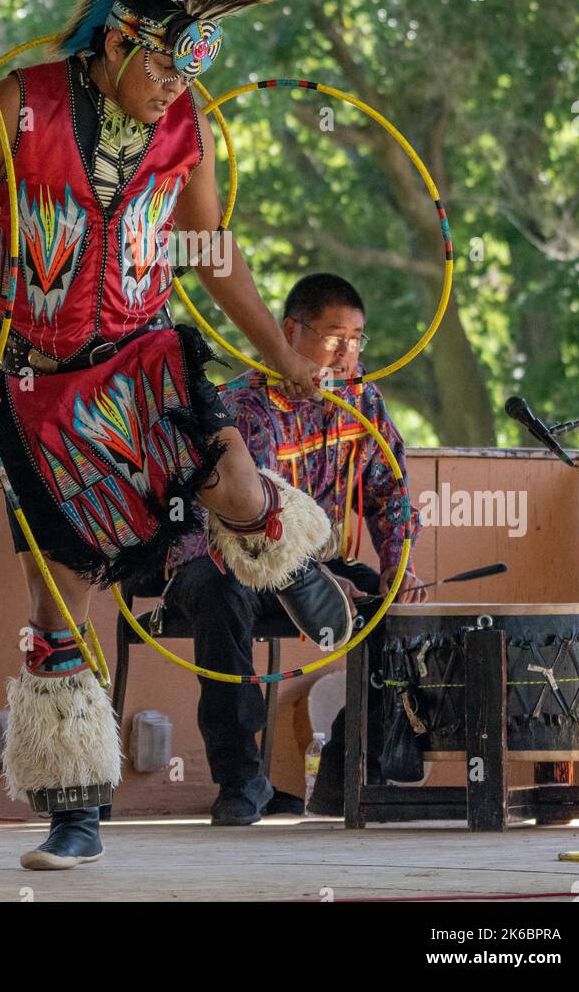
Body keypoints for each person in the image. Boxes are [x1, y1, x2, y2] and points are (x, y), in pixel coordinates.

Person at [0, 0, 354, 870]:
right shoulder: (12, 107)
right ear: (119, 42)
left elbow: (210, 250)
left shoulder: (182, 124)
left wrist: (279, 348)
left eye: (188, 75)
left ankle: (300, 570)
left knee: (238, 485)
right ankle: (75, 806)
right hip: (38, 388)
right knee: (59, 595)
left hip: (148, 356)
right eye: (164, 68)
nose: (176, 88)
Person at [161, 271, 426, 824]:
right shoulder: (241, 406)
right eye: (333, 336)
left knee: (396, 613)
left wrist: (399, 570)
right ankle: (240, 782)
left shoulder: (363, 403)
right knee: (220, 594)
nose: (347, 352)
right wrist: (313, 577)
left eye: (356, 339)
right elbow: (249, 522)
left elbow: (391, 496)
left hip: (318, 567)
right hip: (223, 561)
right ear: (289, 332)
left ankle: (350, 773)